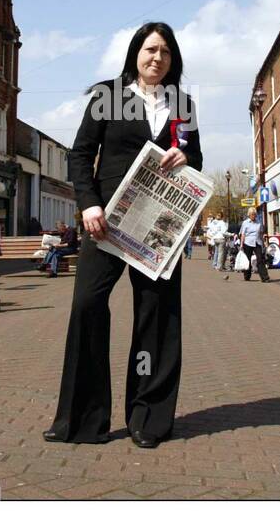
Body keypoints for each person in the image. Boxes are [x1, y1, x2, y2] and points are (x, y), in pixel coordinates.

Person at [44, 22, 202, 449]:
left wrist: (185, 154)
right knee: (87, 306)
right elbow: (80, 154)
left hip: (158, 228)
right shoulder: (108, 97)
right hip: (106, 221)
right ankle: (82, 419)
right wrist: (88, 203)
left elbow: (197, 157)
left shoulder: (182, 104)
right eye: (151, 49)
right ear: (135, 52)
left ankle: (147, 419)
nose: (158, 58)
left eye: (166, 53)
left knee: (156, 317)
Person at [239, 206, 271, 282]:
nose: (254, 216)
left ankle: (265, 277)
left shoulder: (259, 223)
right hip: (248, 243)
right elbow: (243, 234)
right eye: (252, 214)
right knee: (248, 260)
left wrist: (264, 242)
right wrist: (241, 245)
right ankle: (247, 275)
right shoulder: (245, 223)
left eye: (255, 214)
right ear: (249, 215)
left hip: (257, 242)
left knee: (260, 260)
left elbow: (261, 233)